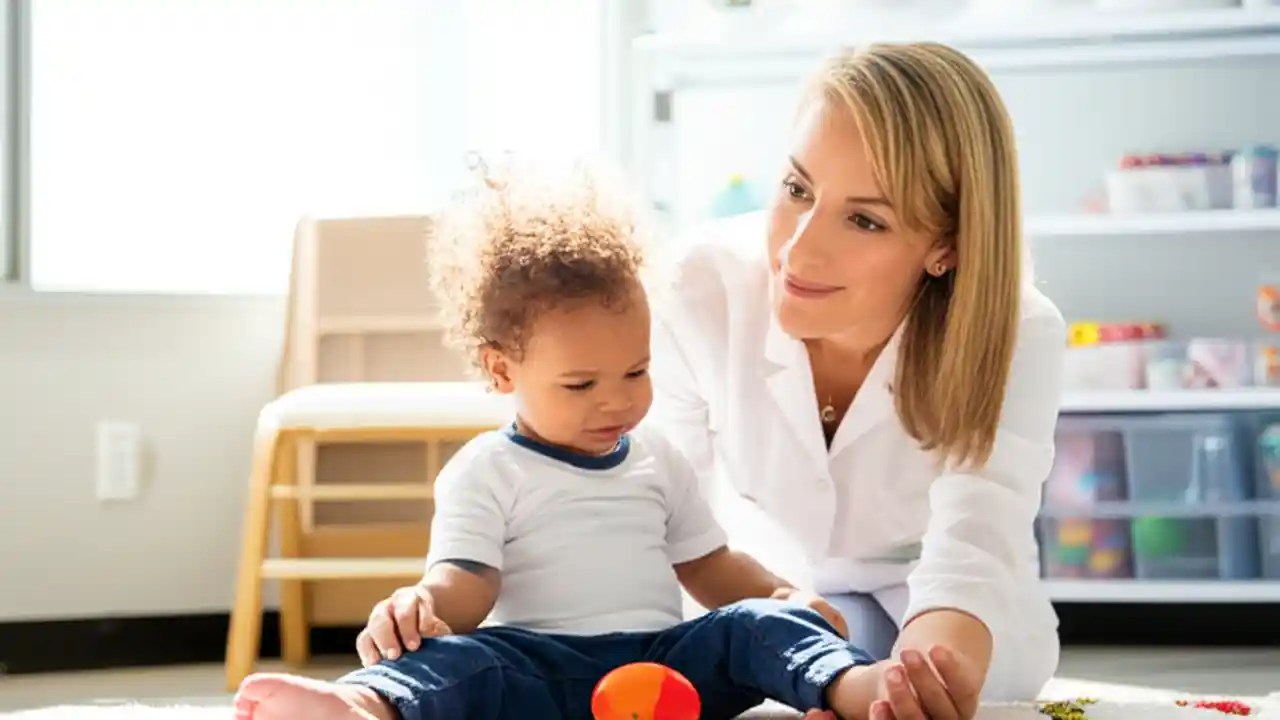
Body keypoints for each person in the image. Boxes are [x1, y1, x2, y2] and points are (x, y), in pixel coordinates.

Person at [358, 41, 1065, 720]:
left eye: (863, 219)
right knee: (761, 642)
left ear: (946, 246)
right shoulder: (701, 283)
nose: (799, 244)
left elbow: (975, 541)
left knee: (933, 677)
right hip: (771, 594)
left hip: (939, 599)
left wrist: (902, 694)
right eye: (796, 188)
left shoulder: (1017, 330)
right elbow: (657, 510)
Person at [230, 162, 941, 720]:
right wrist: (421, 607)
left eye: (637, 371)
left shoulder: (656, 457)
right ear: (501, 369)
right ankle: (360, 705)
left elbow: (710, 564)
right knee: (458, 665)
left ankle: (858, 688)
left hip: (664, 674)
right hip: (532, 667)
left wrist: (784, 593)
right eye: (580, 385)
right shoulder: (486, 469)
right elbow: (469, 583)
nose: (618, 399)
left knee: (757, 628)